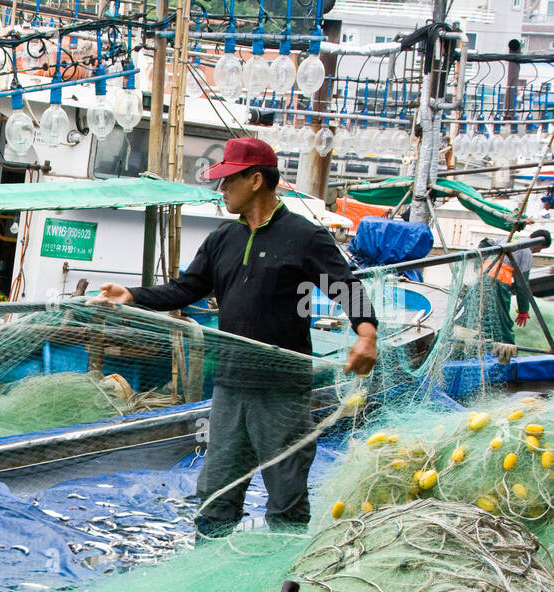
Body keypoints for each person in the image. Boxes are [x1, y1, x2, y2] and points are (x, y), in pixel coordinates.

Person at [93, 137, 378, 536]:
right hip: (230, 385)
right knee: (216, 493)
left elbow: (345, 287)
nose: (222, 188)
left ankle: (282, 584)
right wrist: (133, 296)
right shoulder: (222, 240)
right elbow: (185, 289)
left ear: (256, 180)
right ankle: (210, 567)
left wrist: (366, 334)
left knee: (286, 494)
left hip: (281, 388)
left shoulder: (304, 237)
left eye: (228, 180)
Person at [482, 228, 550, 363]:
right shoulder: (526, 250)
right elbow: (522, 285)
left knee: (485, 316)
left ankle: (484, 351)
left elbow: (485, 242)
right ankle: (506, 359)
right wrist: (523, 310)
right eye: (540, 249)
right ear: (539, 243)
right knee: (503, 321)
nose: (538, 252)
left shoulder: (511, 239)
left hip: (483, 274)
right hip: (498, 280)